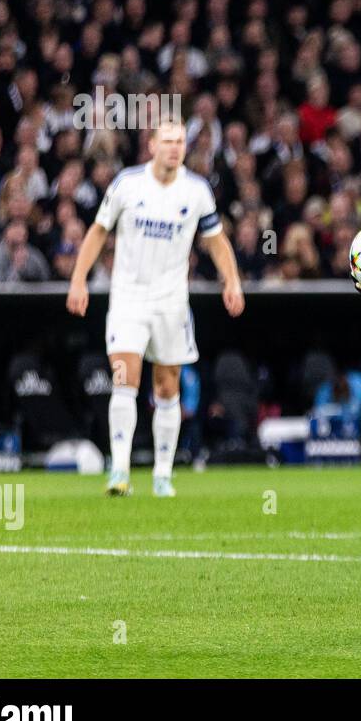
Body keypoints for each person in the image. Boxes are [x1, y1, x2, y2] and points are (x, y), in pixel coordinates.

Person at [66, 121, 244, 497]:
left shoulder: (196, 191)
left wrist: (232, 281)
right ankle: (120, 471)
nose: (175, 147)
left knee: (167, 387)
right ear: (151, 146)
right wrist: (79, 280)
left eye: (180, 141)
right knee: (124, 378)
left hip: (171, 303)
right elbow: (99, 230)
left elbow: (216, 241)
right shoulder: (128, 184)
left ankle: (163, 473)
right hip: (128, 298)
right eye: (167, 141)